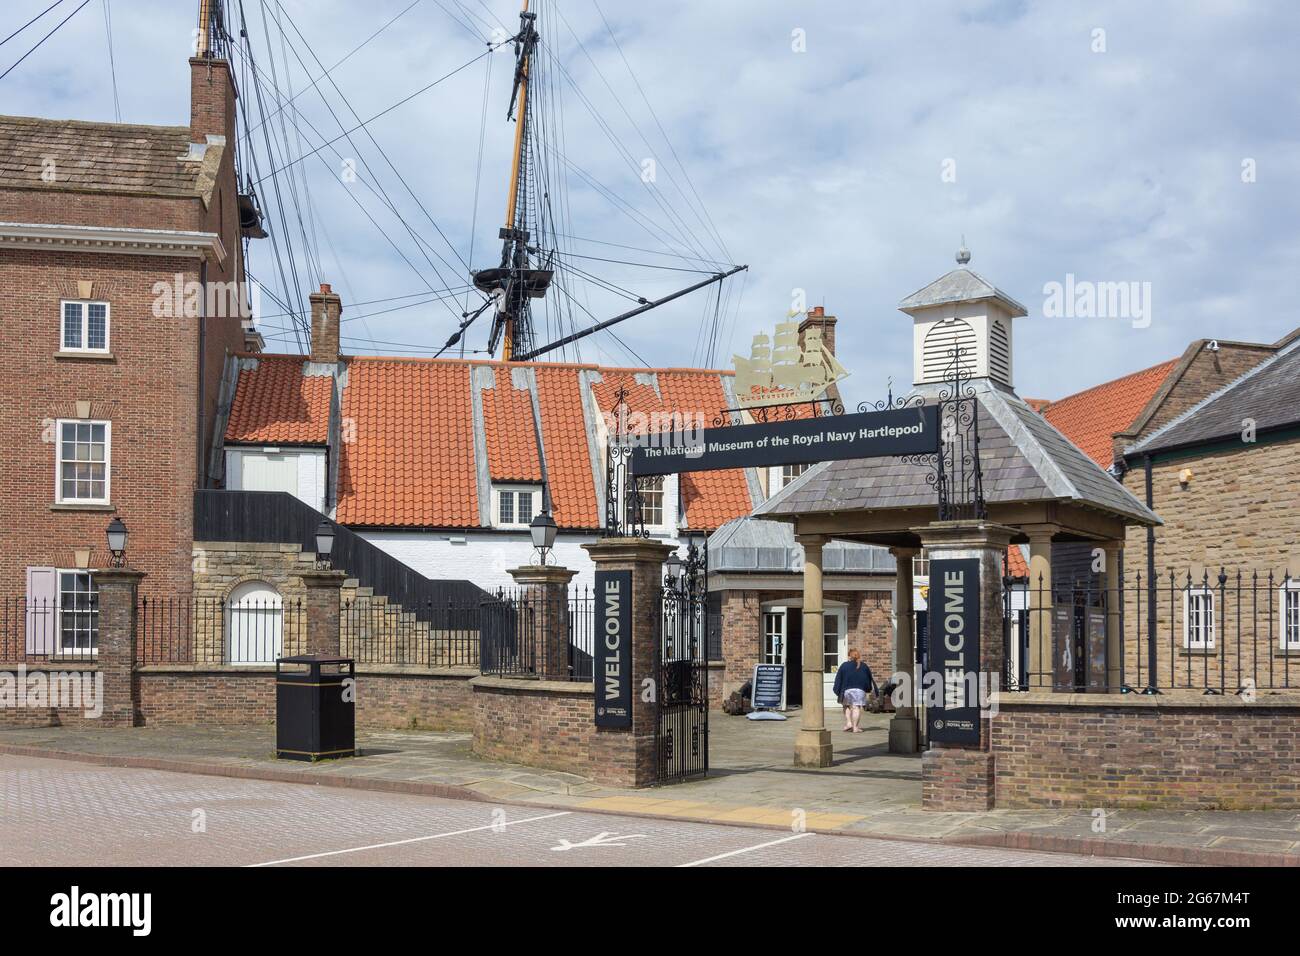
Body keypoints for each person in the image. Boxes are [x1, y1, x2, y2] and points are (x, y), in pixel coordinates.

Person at [832, 648, 875, 733]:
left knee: (846, 705)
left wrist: (837, 690)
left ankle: (849, 723)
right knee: (856, 707)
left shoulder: (844, 665)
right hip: (859, 690)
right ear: (858, 656)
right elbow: (867, 679)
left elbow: (838, 679)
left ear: (849, 656)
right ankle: (855, 727)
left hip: (847, 690)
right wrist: (868, 689)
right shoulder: (864, 666)